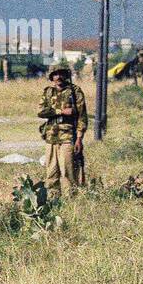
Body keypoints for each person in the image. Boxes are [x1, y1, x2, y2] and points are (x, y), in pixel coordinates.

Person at [37, 61, 87, 197]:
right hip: (51, 137)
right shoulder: (48, 92)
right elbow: (41, 111)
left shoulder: (75, 91)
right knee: (51, 171)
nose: (58, 77)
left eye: (61, 74)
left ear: (66, 75)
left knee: (68, 171)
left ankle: (71, 201)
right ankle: (53, 200)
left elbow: (82, 117)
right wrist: (60, 111)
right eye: (55, 74)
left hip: (68, 137)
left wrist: (79, 139)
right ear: (51, 77)